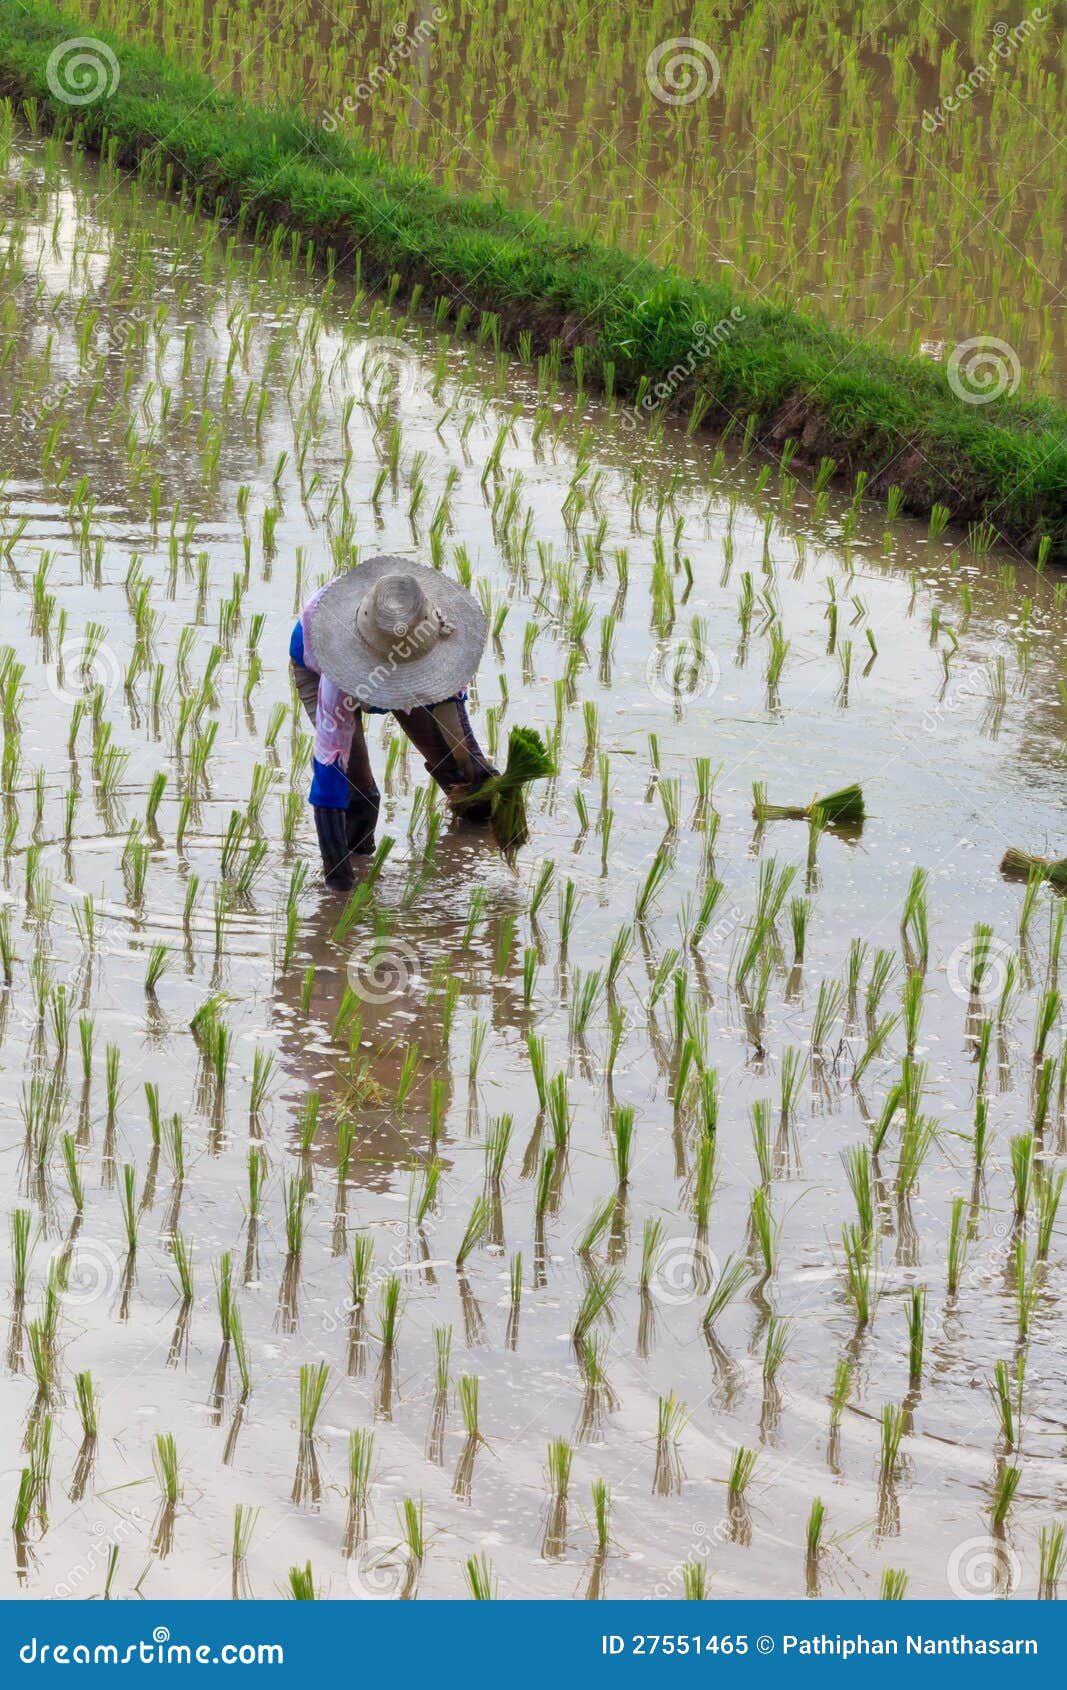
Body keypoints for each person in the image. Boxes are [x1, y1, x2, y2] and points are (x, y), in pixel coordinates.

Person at [289, 555, 498, 888]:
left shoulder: (439, 639)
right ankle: (357, 862)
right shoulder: (335, 672)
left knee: (460, 763)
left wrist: (489, 788)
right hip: (322, 667)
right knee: (358, 786)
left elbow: (461, 737)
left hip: (413, 651)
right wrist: (339, 887)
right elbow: (329, 771)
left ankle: (474, 846)